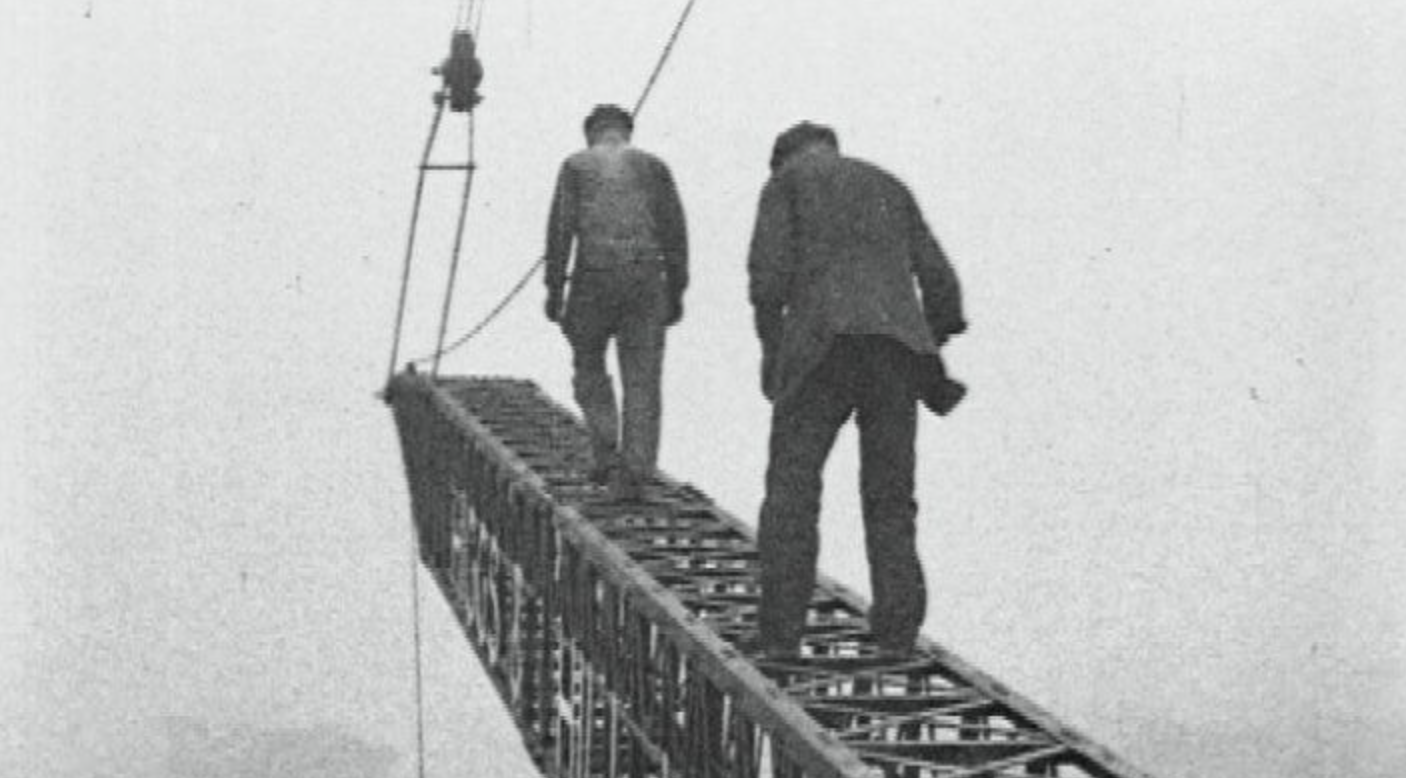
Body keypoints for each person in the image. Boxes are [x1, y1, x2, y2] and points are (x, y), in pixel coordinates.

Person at [746, 121, 966, 656]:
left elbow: (767, 279)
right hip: (896, 357)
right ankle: (897, 629)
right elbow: (941, 283)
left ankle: (780, 633)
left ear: (784, 157)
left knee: (793, 491)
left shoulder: (787, 183)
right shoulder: (889, 184)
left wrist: (774, 351)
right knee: (890, 497)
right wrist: (923, 338)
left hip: (821, 348)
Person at [543, 104, 689, 500]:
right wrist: (677, 291)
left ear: (590, 132)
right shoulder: (653, 166)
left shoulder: (576, 166)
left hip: (593, 278)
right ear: (627, 131)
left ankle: (605, 449)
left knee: (589, 364)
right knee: (642, 379)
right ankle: (636, 472)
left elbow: (561, 230)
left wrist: (554, 290)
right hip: (645, 281)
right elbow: (675, 232)